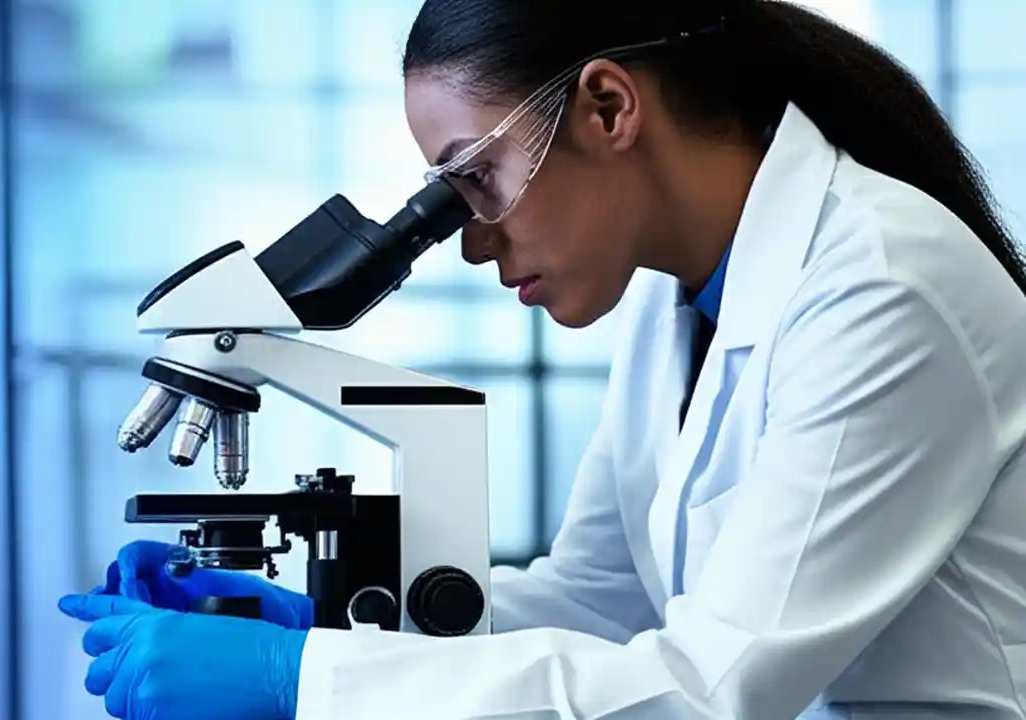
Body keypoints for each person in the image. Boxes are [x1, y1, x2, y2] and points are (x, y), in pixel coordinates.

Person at [57, 0, 1026, 717]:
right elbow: (599, 599)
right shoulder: (672, 299)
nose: (471, 242)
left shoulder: (882, 287)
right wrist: (323, 627)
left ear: (607, 107)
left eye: (474, 181)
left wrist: (301, 686)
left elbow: (702, 695)